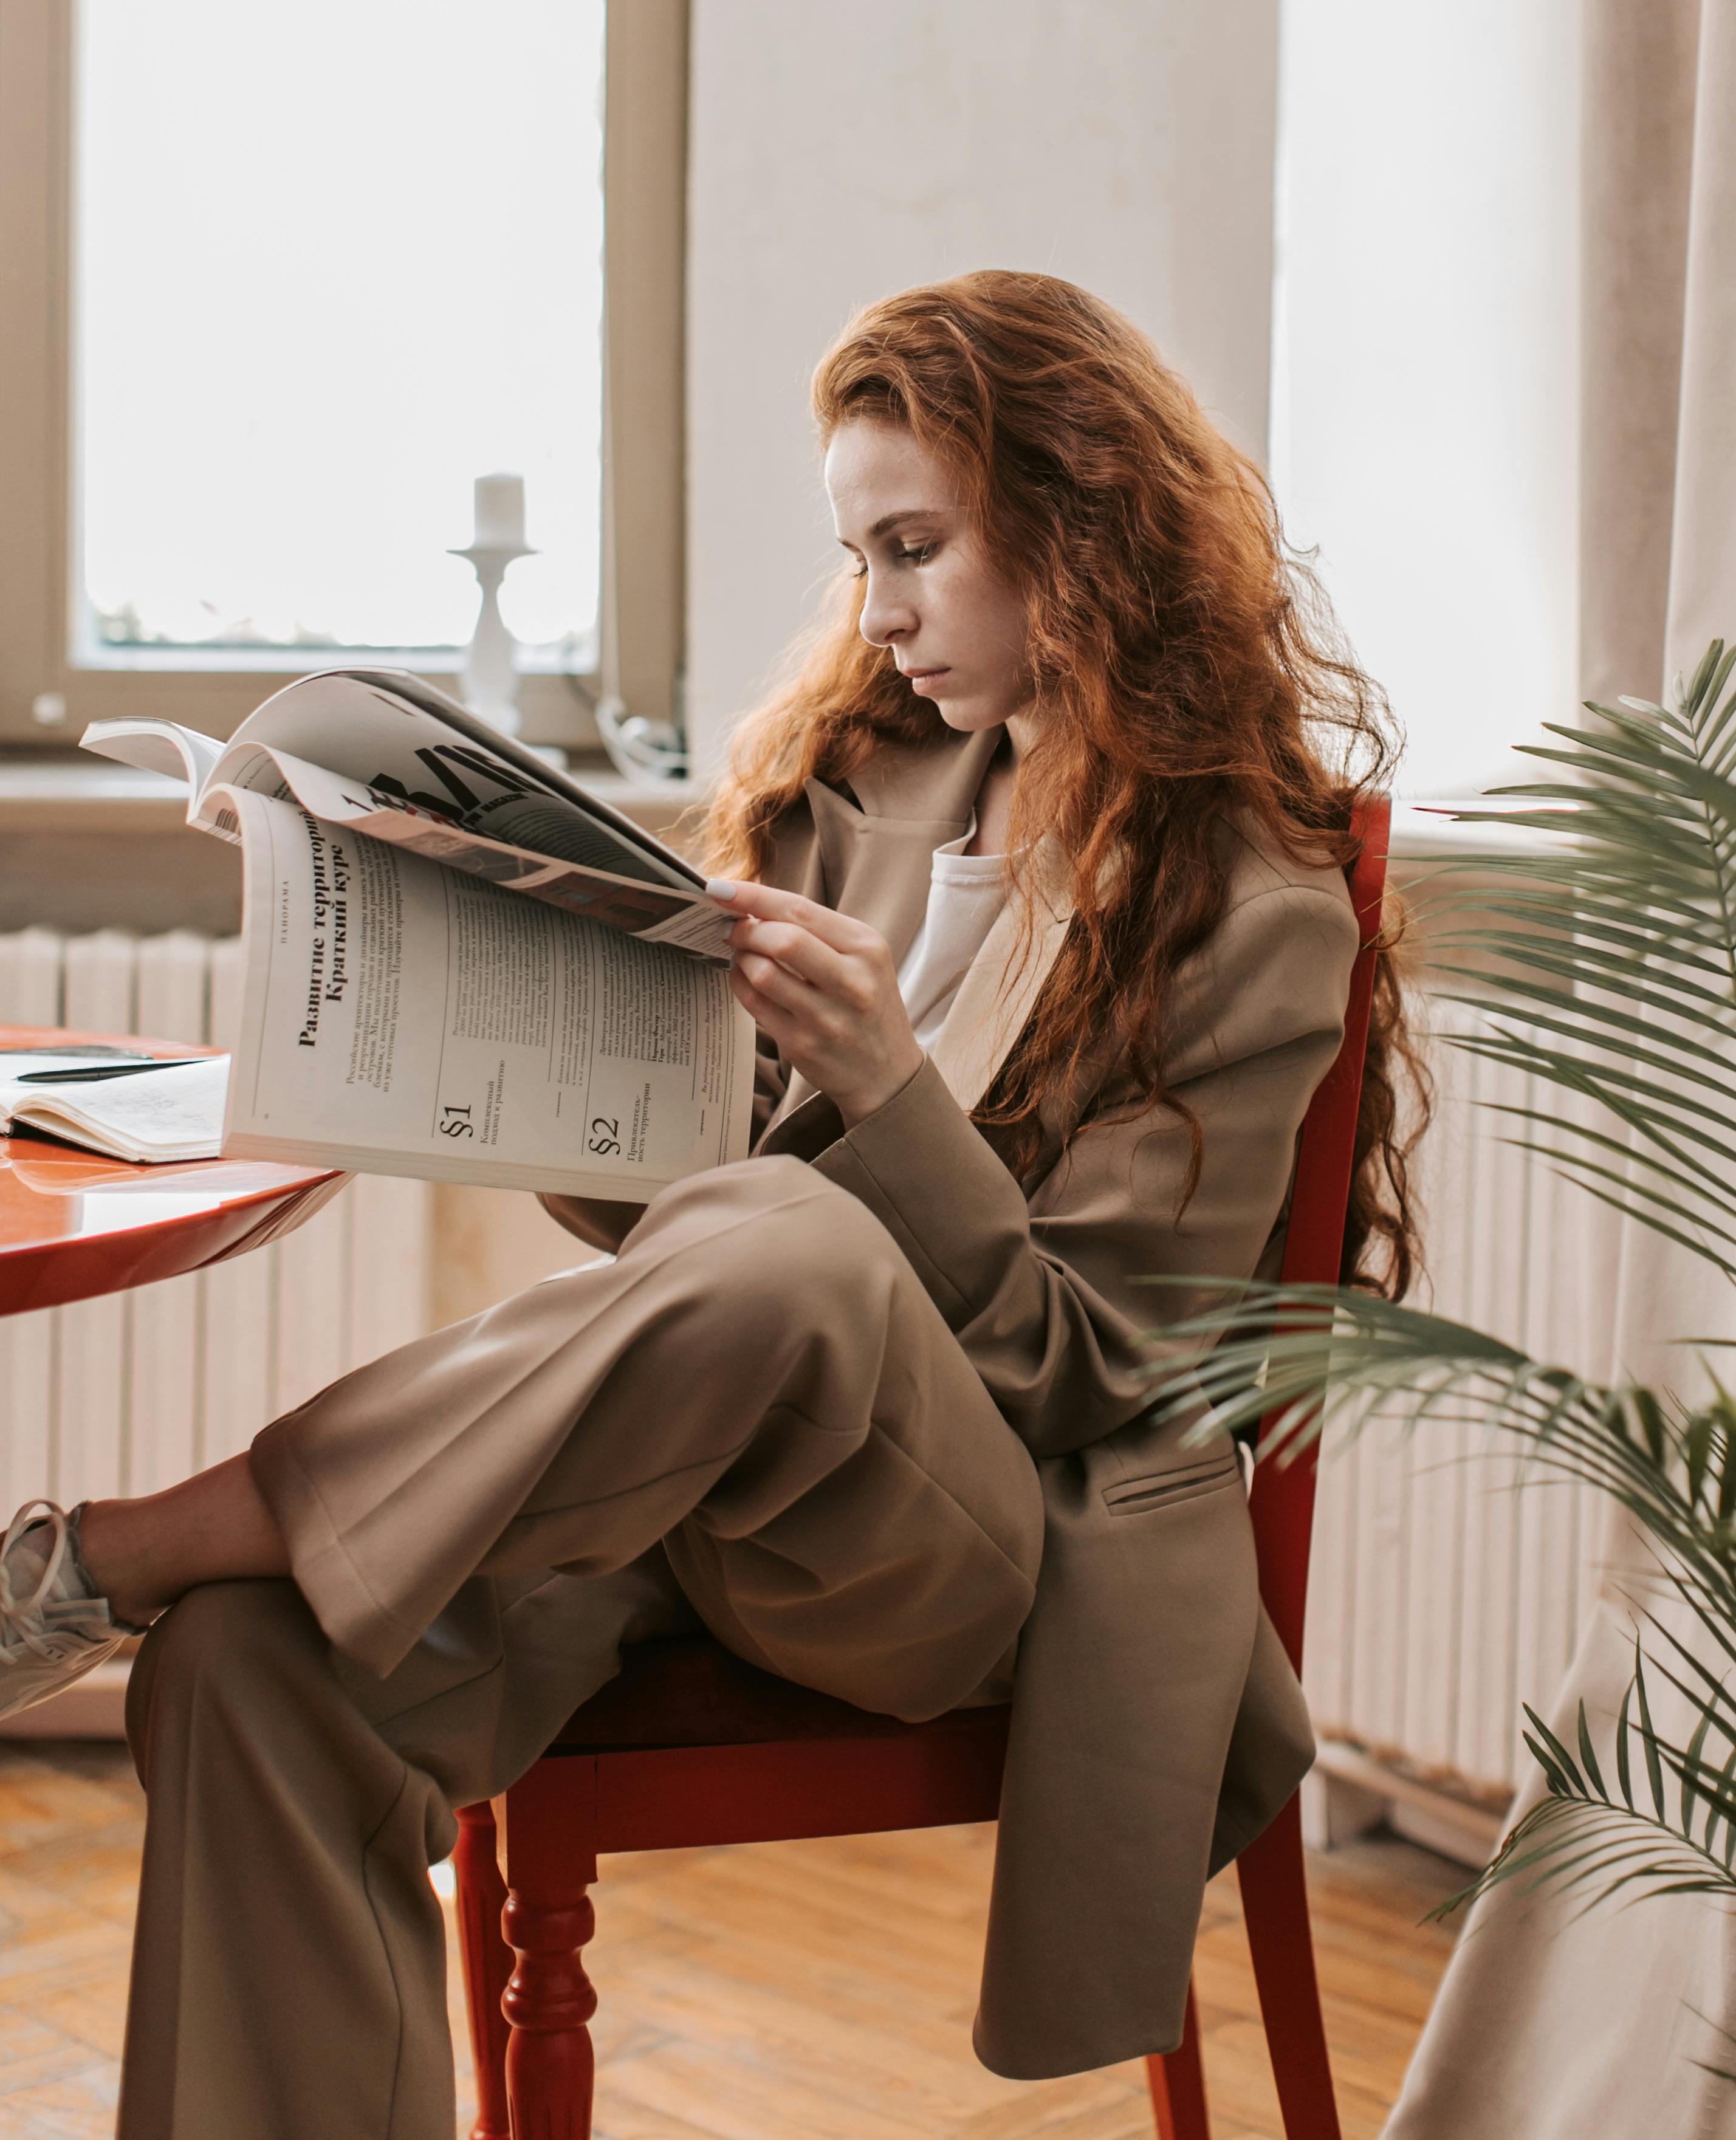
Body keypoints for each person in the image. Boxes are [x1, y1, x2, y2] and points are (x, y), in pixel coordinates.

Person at [0, 270, 1420, 2136]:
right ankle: (174, 1582)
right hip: (711, 1480)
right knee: (257, 1665)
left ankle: (125, 1539)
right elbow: (692, 1224)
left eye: (915, 546)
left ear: (1080, 527)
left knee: (789, 1239)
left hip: (976, 1558)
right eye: (858, 557)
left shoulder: (1254, 907)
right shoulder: (866, 787)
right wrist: (463, 1015)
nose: (878, 611)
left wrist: (885, 1091)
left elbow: (1092, 1376)